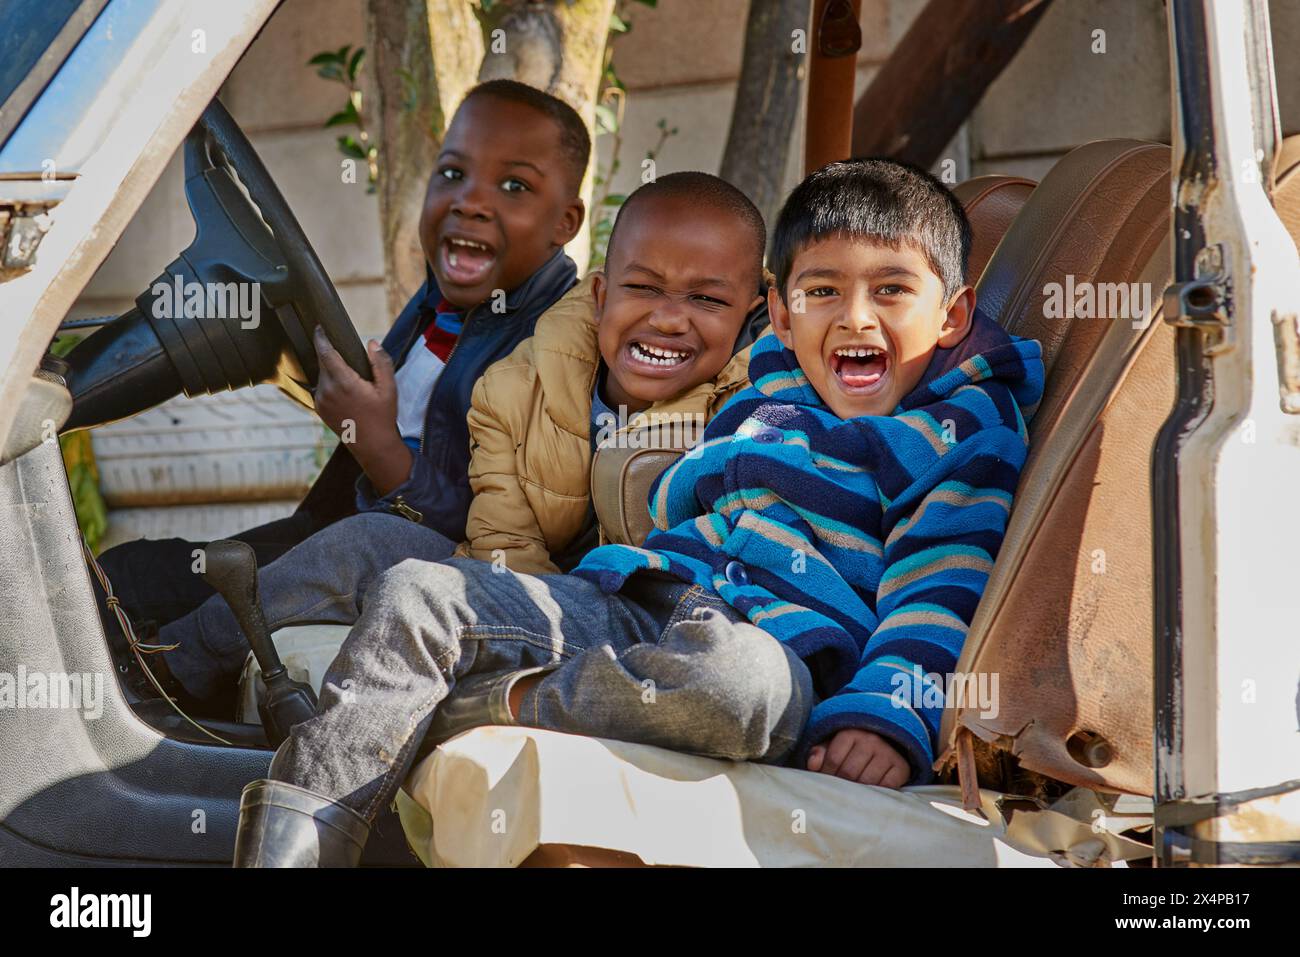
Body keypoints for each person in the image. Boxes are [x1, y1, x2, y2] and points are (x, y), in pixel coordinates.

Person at [231, 157, 1046, 867]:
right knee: (410, 579)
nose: (856, 317)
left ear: (953, 316)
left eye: (892, 291)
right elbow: (678, 491)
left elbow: (935, 591)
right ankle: (285, 817)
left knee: (742, 684)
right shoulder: (771, 380)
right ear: (784, 311)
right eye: (824, 291)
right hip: (638, 597)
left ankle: (496, 701)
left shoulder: (957, 438)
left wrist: (885, 716)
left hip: (774, 648)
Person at [152, 172, 768, 704]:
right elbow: (503, 544)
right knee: (372, 539)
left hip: (657, 619)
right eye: (643, 288)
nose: (666, 317)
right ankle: (171, 669)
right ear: (603, 294)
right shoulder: (519, 385)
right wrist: (502, 620)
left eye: (706, 299)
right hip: (534, 593)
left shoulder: (752, 411)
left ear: (752, 308)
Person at [97, 79, 589, 704]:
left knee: (357, 545)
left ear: (565, 222)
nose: (470, 202)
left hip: (452, 567)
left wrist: (377, 440)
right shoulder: (442, 300)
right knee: (137, 574)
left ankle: (163, 681)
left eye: (514, 186)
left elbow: (500, 529)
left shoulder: (555, 344)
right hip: (343, 529)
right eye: (453, 174)